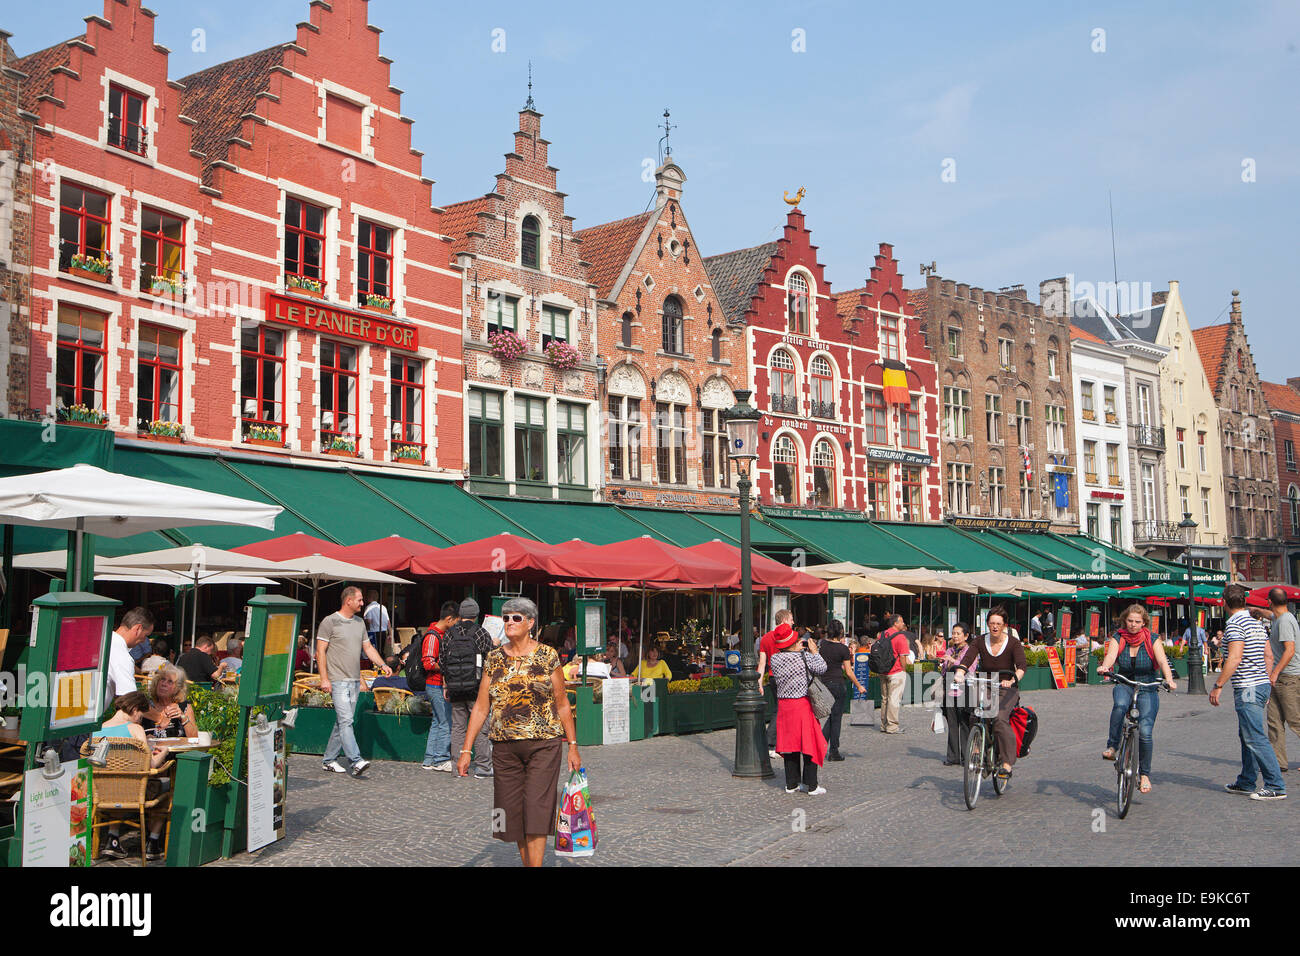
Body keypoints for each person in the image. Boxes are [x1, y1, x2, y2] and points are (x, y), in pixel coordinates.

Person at [456, 596, 581, 867]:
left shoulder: (548, 655)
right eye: (506, 617)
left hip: (544, 745)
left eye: (516, 618)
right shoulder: (494, 658)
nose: (510, 622)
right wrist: (467, 750)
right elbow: (480, 707)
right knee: (511, 814)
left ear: (530, 623)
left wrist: (572, 745)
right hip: (504, 748)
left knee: (536, 810)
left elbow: (562, 704)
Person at [1212, 584, 1285, 799]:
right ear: (1243, 602)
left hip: (1248, 686)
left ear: (1224, 603)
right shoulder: (1255, 623)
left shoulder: (1234, 625)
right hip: (1260, 683)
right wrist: (1265, 678)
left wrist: (1218, 685)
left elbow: (1234, 658)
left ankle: (1275, 784)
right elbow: (1268, 655)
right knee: (1247, 734)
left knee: (1254, 736)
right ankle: (1246, 780)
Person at [1097, 605, 1176, 795]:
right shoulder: (1119, 637)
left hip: (1147, 686)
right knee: (1120, 705)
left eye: (1137, 622)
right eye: (1130, 621)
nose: (1133, 625)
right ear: (1125, 621)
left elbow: (1163, 661)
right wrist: (1105, 667)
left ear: (1144, 623)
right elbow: (1110, 656)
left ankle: (1145, 775)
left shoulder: (1152, 639)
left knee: (1146, 732)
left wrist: (1169, 680)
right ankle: (1113, 746)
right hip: (1124, 682)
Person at [317, 585, 393, 778]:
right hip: (338, 680)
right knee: (346, 720)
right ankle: (356, 761)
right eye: (359, 600)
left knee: (342, 722)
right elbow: (320, 652)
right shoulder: (330, 622)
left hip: (353, 679)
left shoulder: (359, 623)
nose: (362, 603)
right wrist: (324, 678)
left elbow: (367, 648)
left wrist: (382, 664)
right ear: (348, 601)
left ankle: (328, 760)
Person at [92, 691, 170, 859]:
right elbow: (150, 764)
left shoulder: (98, 728)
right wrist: (164, 752)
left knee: (118, 781)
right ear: (135, 709)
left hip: (102, 791)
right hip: (135, 793)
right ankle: (153, 842)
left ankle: (112, 838)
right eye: (140, 716)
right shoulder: (135, 729)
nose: (140, 720)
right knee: (168, 787)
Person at [953, 606, 1026, 779]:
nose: (994, 627)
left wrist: (1013, 679)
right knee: (976, 713)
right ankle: (979, 752)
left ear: (1004, 626)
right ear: (987, 624)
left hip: (1006, 686)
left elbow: (1022, 666)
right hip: (985, 683)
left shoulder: (1013, 643)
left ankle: (1007, 763)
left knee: (999, 718)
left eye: (998, 624)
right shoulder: (979, 641)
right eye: (992, 623)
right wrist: (960, 673)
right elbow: (967, 659)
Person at [769, 626, 829, 794]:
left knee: (790, 745)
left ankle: (792, 783)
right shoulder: (804, 657)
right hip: (801, 704)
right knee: (809, 744)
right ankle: (811, 785)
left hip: (784, 706)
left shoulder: (775, 659)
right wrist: (815, 652)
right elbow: (822, 668)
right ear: (793, 643)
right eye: (797, 640)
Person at [441, 598, 495, 780]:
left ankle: (457, 767)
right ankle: (483, 767)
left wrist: (446, 684)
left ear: (460, 615)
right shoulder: (481, 633)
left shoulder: (449, 634)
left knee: (457, 727)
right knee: (480, 726)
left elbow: (443, 662)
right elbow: (491, 662)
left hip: (455, 688)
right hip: (477, 688)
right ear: (476, 615)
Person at [419, 601, 460, 771]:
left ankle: (429, 759)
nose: (457, 625)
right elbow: (428, 663)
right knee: (445, 722)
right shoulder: (433, 636)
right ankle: (440, 759)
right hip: (435, 685)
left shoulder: (439, 635)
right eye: (456, 621)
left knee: (437, 721)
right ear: (450, 619)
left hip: (435, 685)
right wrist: (448, 665)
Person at [818, 619, 865, 761]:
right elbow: (849, 672)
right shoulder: (843, 649)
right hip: (838, 684)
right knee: (836, 718)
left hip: (825, 683)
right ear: (841, 632)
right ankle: (834, 751)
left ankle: (820, 745)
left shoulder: (823, 645)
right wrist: (859, 685)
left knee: (831, 717)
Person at [1265, 587, 1300, 773]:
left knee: (1295, 720)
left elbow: (1290, 650)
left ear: (1270, 601)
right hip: (1280, 679)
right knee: (1274, 721)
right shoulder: (1280, 617)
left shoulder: (1285, 621)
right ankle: (1278, 762)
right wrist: (1255, 611)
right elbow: (1270, 615)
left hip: (1288, 678)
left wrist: (1275, 672)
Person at [757, 609, 796, 758]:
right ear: (785, 620)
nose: (793, 622)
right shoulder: (789, 637)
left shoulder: (765, 638)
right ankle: (770, 743)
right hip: (786, 677)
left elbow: (762, 663)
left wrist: (760, 682)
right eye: (791, 619)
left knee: (780, 708)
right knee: (781, 710)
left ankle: (779, 743)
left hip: (772, 677)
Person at [939, 624, 972, 766]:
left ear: (966, 636)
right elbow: (944, 671)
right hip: (950, 687)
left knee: (964, 722)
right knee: (952, 721)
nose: (955, 636)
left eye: (958, 633)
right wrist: (943, 664)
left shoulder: (969, 651)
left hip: (964, 687)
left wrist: (954, 661)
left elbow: (971, 667)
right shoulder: (950, 650)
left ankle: (966, 756)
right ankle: (953, 756)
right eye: (953, 633)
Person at [877, 613, 913, 735]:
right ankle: (892, 726)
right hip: (896, 671)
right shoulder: (900, 637)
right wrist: (903, 669)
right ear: (895, 623)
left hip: (883, 670)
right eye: (901, 621)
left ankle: (884, 724)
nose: (903, 623)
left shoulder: (882, 634)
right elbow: (903, 656)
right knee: (894, 699)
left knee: (885, 699)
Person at [107, 607, 154, 700]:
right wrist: (159, 715)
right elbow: (130, 702)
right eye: (146, 635)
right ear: (138, 629)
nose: (144, 640)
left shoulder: (106, 640)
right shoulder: (122, 656)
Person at [142, 664, 198, 739]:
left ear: (178, 688)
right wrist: (144, 738)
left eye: (170, 682)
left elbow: (194, 738)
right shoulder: (146, 705)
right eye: (162, 679)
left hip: (178, 750)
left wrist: (183, 717)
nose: (163, 684)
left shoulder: (184, 706)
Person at [362, 589, 391, 657]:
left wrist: (365, 630)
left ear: (369, 597)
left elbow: (368, 621)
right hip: (383, 632)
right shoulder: (383, 607)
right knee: (381, 652)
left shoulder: (369, 607)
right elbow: (388, 622)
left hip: (373, 633)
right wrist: (390, 634)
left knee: (373, 653)